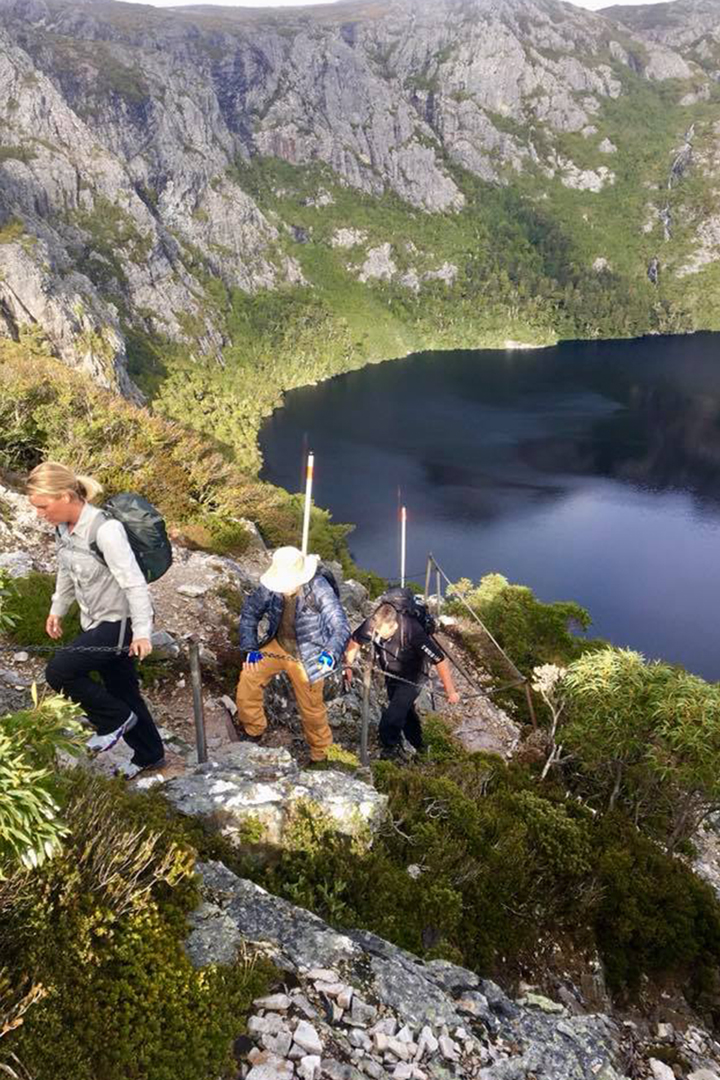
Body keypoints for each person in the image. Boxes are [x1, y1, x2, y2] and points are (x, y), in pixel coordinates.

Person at [27, 462, 165, 779]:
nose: (39, 514)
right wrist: (57, 609)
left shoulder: (106, 530)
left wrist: (142, 633)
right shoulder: (63, 529)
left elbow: (133, 583)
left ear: (65, 496)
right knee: (123, 691)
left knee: (59, 670)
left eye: (43, 506)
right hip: (96, 621)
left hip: (121, 623)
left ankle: (113, 720)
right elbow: (66, 570)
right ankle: (150, 754)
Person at [236, 546, 350, 765]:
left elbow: (339, 624)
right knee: (248, 679)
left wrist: (330, 653)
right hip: (277, 646)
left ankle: (321, 753)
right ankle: (254, 729)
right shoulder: (271, 588)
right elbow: (250, 612)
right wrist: (250, 649)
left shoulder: (318, 587)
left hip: (310, 653)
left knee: (312, 709)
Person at [344, 599, 460, 761]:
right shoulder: (371, 626)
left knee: (392, 716)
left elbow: (439, 660)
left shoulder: (412, 631)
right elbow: (355, 641)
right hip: (391, 673)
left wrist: (451, 691)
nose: (380, 637)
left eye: (384, 634)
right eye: (378, 633)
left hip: (414, 675)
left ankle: (390, 749)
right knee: (403, 711)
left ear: (394, 625)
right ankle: (417, 742)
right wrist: (348, 665)